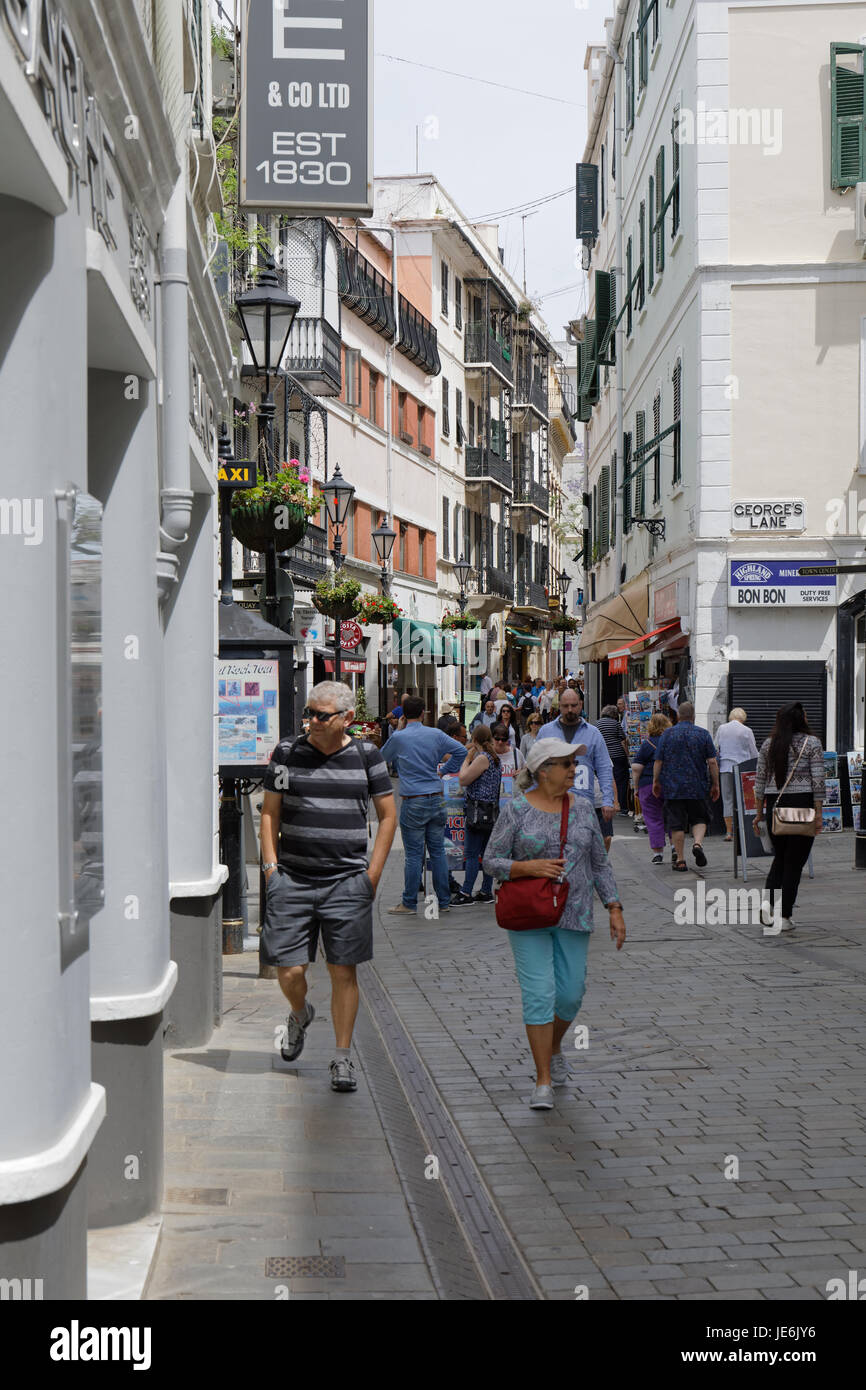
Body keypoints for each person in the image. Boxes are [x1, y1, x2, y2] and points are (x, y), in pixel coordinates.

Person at [260, 682, 398, 1094]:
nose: (311, 722)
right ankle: (300, 1014)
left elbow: (387, 816)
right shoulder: (287, 753)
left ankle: (341, 1057)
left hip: (346, 882)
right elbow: (270, 812)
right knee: (288, 970)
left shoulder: (366, 756)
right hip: (293, 879)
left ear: (346, 719)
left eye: (321, 715)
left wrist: (371, 876)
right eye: (309, 713)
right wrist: (270, 870)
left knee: (343, 972)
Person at [483, 739, 625, 1110]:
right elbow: (491, 860)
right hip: (528, 914)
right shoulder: (515, 810)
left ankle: (555, 1043)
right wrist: (526, 868)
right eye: (565, 764)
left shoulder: (582, 810)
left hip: (574, 911)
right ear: (543, 770)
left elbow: (599, 862)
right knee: (539, 994)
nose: (572, 770)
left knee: (570, 993)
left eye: (573, 763)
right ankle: (543, 1078)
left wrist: (614, 905)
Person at [384, 696, 467, 916]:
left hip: (414, 799)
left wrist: (399, 729)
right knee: (438, 851)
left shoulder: (400, 737)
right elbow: (462, 751)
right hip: (437, 796)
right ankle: (444, 901)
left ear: (403, 715)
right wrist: (444, 771)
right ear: (423, 713)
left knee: (413, 854)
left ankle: (409, 903)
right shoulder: (436, 734)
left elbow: (382, 756)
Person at [754, 703, 825, 932]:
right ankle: (784, 917)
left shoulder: (768, 744)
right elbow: (818, 781)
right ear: (801, 719)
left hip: (776, 805)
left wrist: (758, 815)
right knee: (794, 863)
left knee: (780, 858)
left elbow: (760, 782)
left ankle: (767, 905)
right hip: (803, 806)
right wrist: (819, 814)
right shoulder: (812, 743)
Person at [652, 702, 720, 873]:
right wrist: (715, 784)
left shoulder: (667, 734)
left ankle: (681, 860)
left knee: (676, 824)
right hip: (697, 786)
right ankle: (697, 844)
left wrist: (656, 781)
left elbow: (658, 761)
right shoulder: (703, 734)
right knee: (699, 818)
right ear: (693, 716)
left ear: (677, 716)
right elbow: (712, 761)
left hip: (673, 787)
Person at [545, 688, 616, 829]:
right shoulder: (546, 731)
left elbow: (604, 768)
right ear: (559, 706)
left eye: (574, 705)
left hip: (583, 806)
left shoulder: (593, 733)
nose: (570, 709)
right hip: (552, 805)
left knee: (582, 847)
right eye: (565, 706)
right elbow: (535, 767)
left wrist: (608, 800)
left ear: (581, 705)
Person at [451, 726, 502, 906]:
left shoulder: (482, 758)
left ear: (476, 740)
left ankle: (466, 892)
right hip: (491, 811)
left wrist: (466, 759)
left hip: (477, 812)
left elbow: (463, 779)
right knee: (486, 853)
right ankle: (486, 890)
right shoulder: (495, 758)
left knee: (472, 853)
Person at [632, 713, 672, 863]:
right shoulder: (671, 742)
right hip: (670, 785)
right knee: (673, 817)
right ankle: (675, 848)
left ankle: (658, 853)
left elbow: (636, 768)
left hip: (648, 785)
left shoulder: (647, 744)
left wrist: (636, 787)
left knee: (653, 819)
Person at [716, 708, 759, 840]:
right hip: (742, 769)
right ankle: (743, 830)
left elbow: (715, 747)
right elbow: (754, 753)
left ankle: (729, 832)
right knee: (744, 800)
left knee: (727, 799)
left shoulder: (721, 729)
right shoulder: (747, 731)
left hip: (725, 768)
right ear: (743, 718)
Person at [595, 704, 631, 816]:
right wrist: (627, 755)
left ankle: (607, 803)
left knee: (607, 780)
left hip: (604, 755)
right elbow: (623, 741)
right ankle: (621, 806)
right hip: (618, 756)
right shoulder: (616, 724)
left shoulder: (597, 724)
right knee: (621, 782)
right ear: (614, 714)